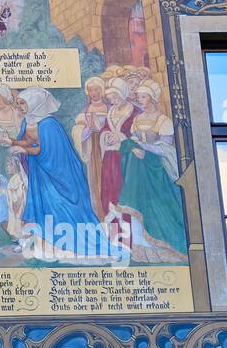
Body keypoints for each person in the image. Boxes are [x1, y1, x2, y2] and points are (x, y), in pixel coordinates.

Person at [7, 87, 111, 259]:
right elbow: (27, 141)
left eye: (22, 103)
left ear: (35, 102)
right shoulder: (28, 120)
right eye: (18, 103)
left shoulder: (49, 124)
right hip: (39, 173)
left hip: (58, 175)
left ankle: (67, 246)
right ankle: (43, 245)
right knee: (42, 206)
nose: (20, 107)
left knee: (58, 204)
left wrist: (22, 150)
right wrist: (11, 141)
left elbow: (46, 151)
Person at [117, 81, 187, 255]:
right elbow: (131, 141)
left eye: (143, 96)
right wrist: (134, 146)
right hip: (139, 169)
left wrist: (143, 147)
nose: (140, 100)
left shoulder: (163, 120)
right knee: (138, 202)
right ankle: (142, 244)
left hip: (156, 169)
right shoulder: (137, 119)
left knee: (159, 206)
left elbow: (166, 149)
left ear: (152, 98)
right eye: (138, 96)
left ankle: (163, 243)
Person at [98, 78, 137, 215]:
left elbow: (138, 135)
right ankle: (112, 221)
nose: (113, 101)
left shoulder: (135, 112)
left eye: (115, 97)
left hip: (127, 158)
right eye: (110, 99)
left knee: (123, 188)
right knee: (110, 188)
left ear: (123, 93)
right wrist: (106, 135)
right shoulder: (111, 112)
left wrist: (121, 137)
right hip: (110, 157)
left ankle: (128, 223)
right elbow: (104, 129)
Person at [72, 76, 109, 218]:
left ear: (102, 91)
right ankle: (98, 213)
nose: (94, 93)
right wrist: (87, 129)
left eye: (96, 90)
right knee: (94, 179)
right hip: (92, 147)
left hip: (106, 147)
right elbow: (78, 130)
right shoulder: (85, 110)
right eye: (91, 90)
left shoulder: (109, 108)